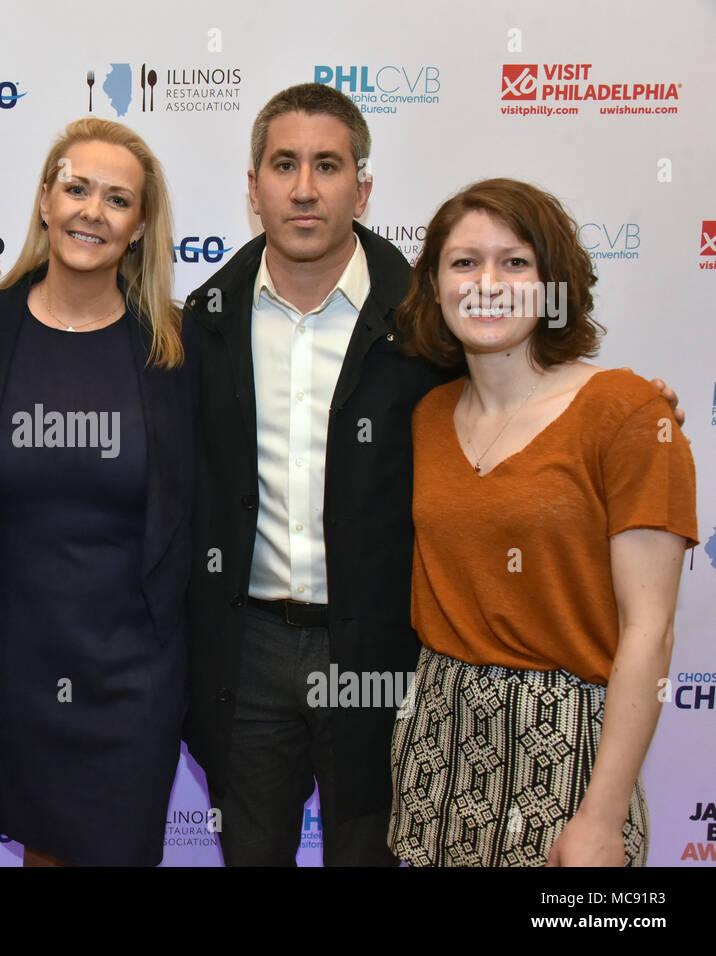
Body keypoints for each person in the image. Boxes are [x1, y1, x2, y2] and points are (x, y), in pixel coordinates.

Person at [180, 85, 683, 866]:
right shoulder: (202, 318)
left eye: (328, 165)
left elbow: (534, 380)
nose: (305, 187)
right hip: (250, 653)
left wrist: (635, 411)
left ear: (363, 188)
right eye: (284, 165)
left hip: (389, 659)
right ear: (254, 188)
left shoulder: (420, 318)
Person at [388, 178, 696, 866]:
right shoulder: (428, 417)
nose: (487, 282)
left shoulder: (628, 413)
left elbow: (652, 631)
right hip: (440, 737)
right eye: (464, 263)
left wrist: (603, 817)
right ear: (434, 285)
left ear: (553, 282)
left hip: (573, 751)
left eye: (515, 262)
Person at [0, 118, 197, 866]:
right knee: (43, 852)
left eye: (118, 200)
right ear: (46, 199)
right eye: (77, 188)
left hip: (135, 671)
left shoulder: (175, 347)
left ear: (141, 225)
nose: (92, 211)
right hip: (16, 661)